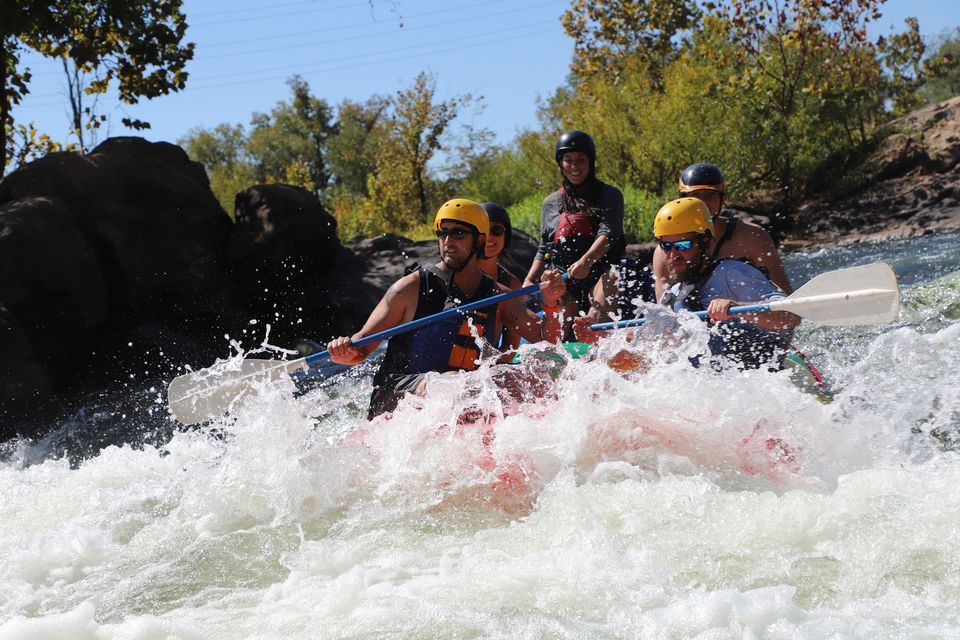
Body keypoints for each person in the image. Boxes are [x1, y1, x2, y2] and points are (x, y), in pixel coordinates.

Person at [327, 198, 566, 419]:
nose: (448, 242)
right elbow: (360, 348)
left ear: (479, 240)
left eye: (458, 234)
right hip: (399, 392)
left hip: (463, 393)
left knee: (517, 379)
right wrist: (343, 351)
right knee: (453, 384)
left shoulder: (498, 295)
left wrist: (551, 304)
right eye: (443, 233)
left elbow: (549, 342)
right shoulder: (408, 289)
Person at [575, 197, 799, 370]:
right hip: (703, 383)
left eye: (682, 245)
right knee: (613, 364)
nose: (674, 254)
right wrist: (601, 337)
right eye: (666, 246)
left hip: (751, 375)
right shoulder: (674, 292)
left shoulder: (731, 273)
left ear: (704, 240)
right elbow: (649, 335)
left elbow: (790, 316)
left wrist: (737, 307)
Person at [523, 130, 625, 332]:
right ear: (561, 164)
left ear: (590, 162)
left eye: (580, 160)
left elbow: (610, 231)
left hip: (600, 274)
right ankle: (559, 342)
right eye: (568, 160)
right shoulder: (550, 203)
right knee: (561, 302)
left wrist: (586, 261)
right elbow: (545, 247)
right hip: (565, 279)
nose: (574, 166)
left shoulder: (610, 195)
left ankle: (593, 330)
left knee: (610, 279)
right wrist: (529, 279)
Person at [652, 163, 792, 302]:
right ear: (680, 200)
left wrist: (737, 307)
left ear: (723, 199)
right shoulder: (665, 252)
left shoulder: (751, 237)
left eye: (710, 195)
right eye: (695, 195)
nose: (703, 202)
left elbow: (787, 304)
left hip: (747, 317)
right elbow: (664, 312)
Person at [477, 202, 524, 351]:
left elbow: (510, 349)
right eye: (483, 231)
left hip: (487, 367)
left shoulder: (512, 284)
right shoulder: (454, 277)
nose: (489, 238)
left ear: (506, 235)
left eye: (496, 230)